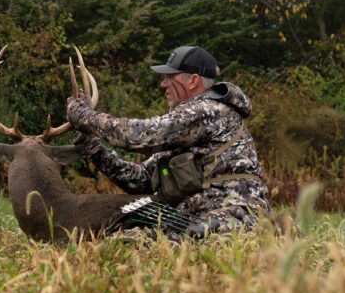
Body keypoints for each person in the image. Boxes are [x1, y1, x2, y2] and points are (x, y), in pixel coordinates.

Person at [66, 45, 269, 234]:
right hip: (196, 218)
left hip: (233, 217)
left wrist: (85, 117)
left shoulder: (209, 111)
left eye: (170, 77)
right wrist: (94, 148)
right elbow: (140, 180)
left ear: (193, 80)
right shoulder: (185, 129)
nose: (163, 84)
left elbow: (140, 135)